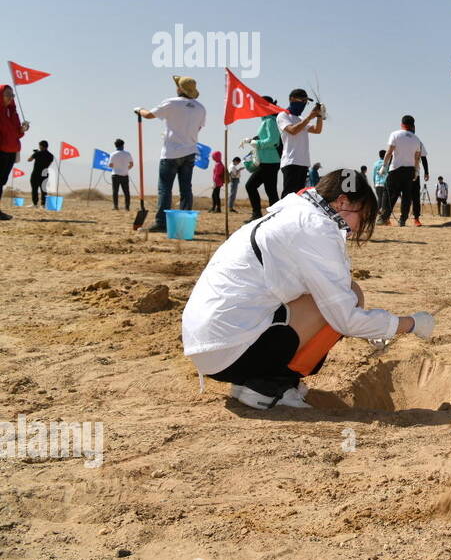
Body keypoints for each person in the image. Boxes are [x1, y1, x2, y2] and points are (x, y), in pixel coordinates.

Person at [182, 169, 437, 410]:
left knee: (347, 290)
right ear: (342, 202)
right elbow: (346, 319)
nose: (359, 227)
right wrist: (410, 324)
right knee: (348, 299)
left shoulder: (295, 214)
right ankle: (267, 387)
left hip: (212, 346)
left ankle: (253, 381)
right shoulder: (316, 228)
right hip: (229, 352)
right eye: (363, 215)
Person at [135, 75, 206, 233]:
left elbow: (149, 115)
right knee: (186, 188)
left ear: (179, 89)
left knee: (165, 189)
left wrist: (139, 110)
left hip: (171, 152)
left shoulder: (172, 103)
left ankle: (161, 223)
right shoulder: (200, 108)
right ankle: (185, 223)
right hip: (190, 152)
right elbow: (199, 128)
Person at [380, 115, 425, 227]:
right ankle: (402, 220)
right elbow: (417, 157)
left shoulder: (395, 134)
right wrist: (416, 171)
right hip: (409, 170)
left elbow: (389, 151)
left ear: (402, 124)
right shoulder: (416, 139)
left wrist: (384, 166)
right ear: (413, 125)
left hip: (395, 169)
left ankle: (384, 218)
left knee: (389, 194)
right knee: (406, 196)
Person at [278, 88, 324, 196]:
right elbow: (292, 130)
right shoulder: (283, 115)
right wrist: (309, 117)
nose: (304, 104)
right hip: (291, 161)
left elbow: (317, 130)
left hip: (303, 163)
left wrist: (319, 115)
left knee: (298, 196)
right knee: (289, 196)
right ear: (292, 99)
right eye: (302, 101)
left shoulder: (300, 119)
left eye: (305, 102)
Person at [243, 99, 281, 221]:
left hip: (269, 161)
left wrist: (257, 143)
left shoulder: (270, 120)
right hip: (268, 161)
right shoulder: (266, 120)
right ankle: (274, 216)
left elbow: (273, 140)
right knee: (270, 190)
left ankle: (258, 214)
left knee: (251, 186)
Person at [0, 84, 30, 220]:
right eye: (7, 94)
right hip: (1, 150)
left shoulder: (12, 112)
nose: (10, 98)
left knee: (1, 181)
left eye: (12, 95)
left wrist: (22, 129)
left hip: (11, 151)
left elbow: (16, 133)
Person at [108, 138, 133, 211]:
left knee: (115, 192)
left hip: (115, 174)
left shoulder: (112, 154)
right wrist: (126, 168)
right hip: (125, 174)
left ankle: (115, 206)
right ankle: (127, 207)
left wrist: (116, 166)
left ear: (115, 146)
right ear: (123, 145)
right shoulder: (128, 154)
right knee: (126, 192)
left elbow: (110, 165)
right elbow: (131, 164)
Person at [27, 140, 53, 208]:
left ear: (41, 146)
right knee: (44, 190)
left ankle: (35, 204)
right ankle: (43, 205)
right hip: (45, 173)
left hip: (36, 174)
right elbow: (49, 164)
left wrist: (35, 153)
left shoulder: (37, 153)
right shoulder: (51, 155)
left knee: (34, 189)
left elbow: (29, 160)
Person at [372, 149, 389, 216]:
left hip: (377, 183)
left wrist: (374, 183)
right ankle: (381, 212)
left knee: (379, 198)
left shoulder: (375, 163)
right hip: (384, 183)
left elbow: (374, 174)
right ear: (385, 155)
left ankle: (378, 211)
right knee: (384, 199)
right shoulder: (387, 163)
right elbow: (388, 173)